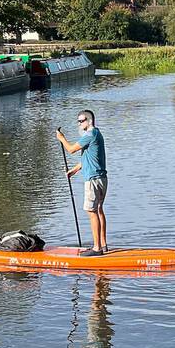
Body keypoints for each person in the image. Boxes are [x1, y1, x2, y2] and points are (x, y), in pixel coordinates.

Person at [57, 110, 109, 256]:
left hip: (93, 179)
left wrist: (62, 138)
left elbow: (71, 150)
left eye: (81, 121)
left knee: (91, 211)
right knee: (98, 209)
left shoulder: (89, 135)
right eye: (78, 121)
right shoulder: (97, 133)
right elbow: (88, 158)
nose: (79, 124)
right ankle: (103, 245)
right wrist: (73, 171)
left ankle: (97, 248)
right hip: (101, 178)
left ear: (89, 121)